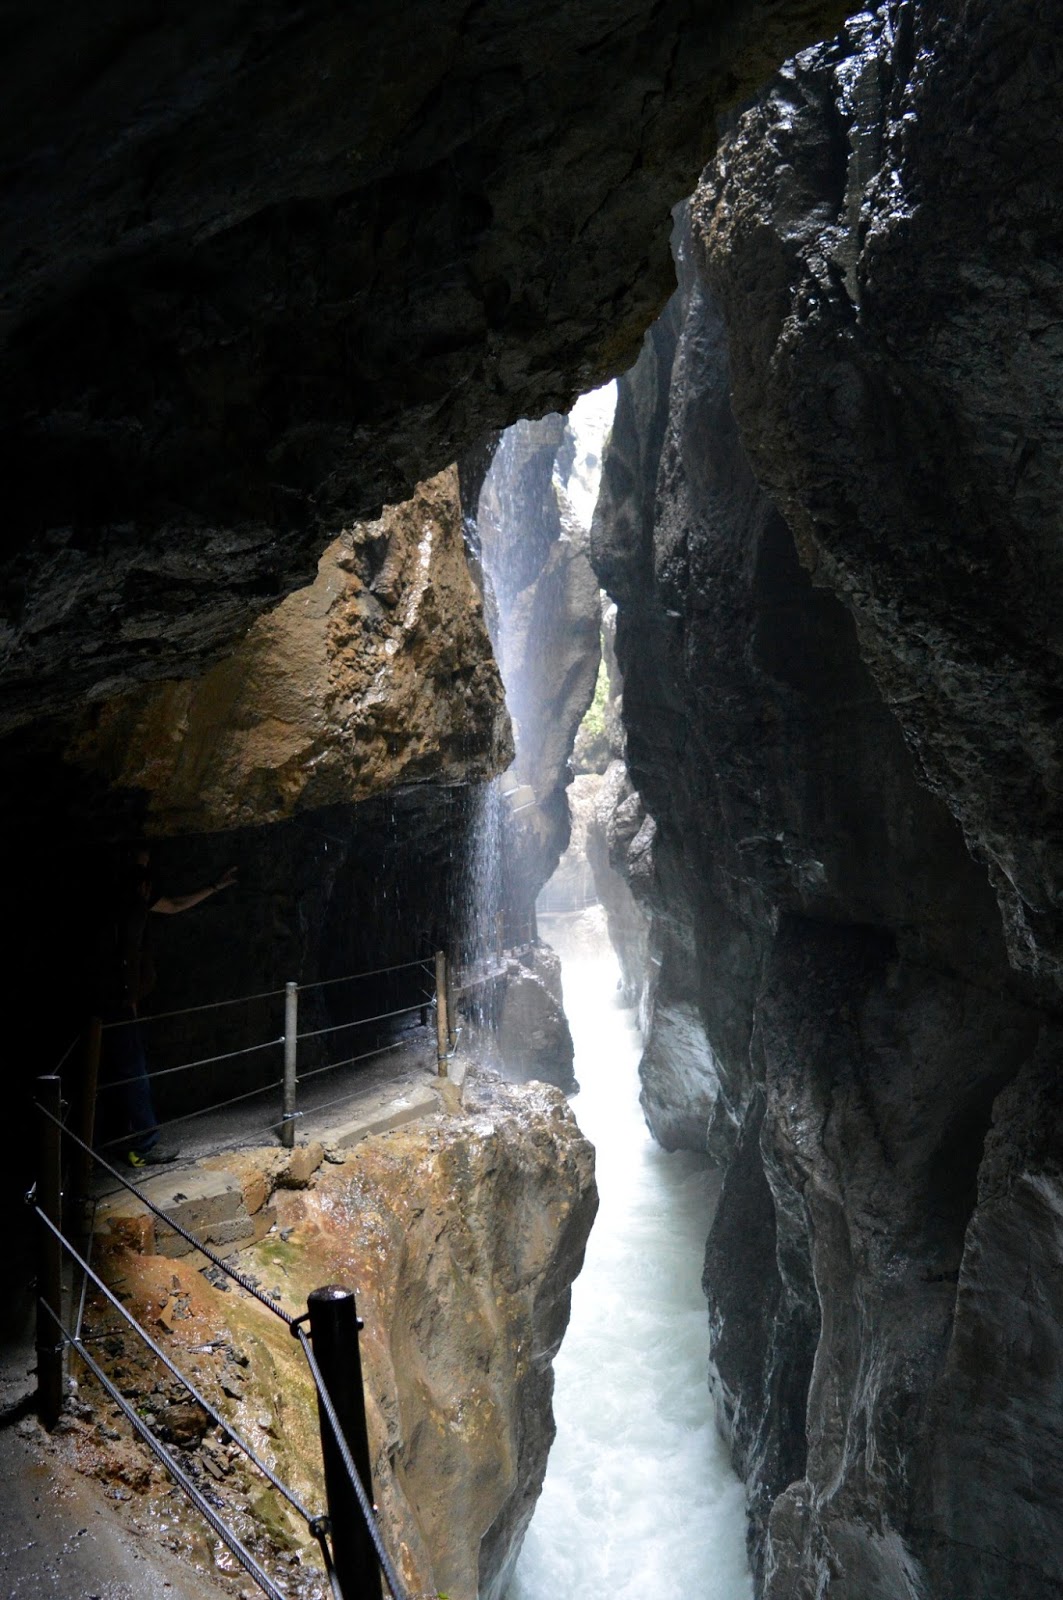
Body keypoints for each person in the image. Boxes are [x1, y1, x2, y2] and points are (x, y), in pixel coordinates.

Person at [99, 844, 237, 1167]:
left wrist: (215, 886)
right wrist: (127, 996)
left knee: (121, 1071)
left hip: (117, 997)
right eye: (141, 859)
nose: (146, 866)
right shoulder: (127, 894)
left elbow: (173, 905)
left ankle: (121, 1142)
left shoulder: (132, 894)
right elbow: (121, 953)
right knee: (132, 1070)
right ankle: (142, 1145)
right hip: (114, 999)